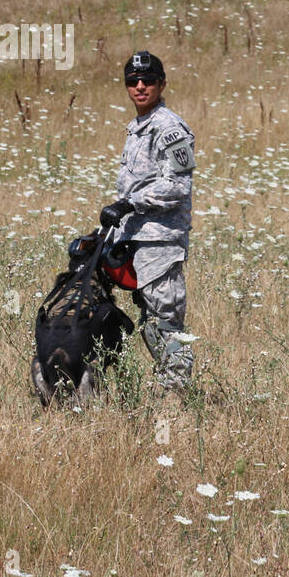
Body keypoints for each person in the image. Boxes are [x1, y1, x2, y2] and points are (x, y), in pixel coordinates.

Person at [99, 50, 196, 392]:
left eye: (148, 80)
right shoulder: (138, 127)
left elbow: (176, 186)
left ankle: (178, 399)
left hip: (160, 241)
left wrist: (129, 204)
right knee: (150, 323)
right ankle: (170, 389)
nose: (140, 86)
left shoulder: (169, 127)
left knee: (165, 322)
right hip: (136, 239)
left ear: (162, 83)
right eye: (132, 81)